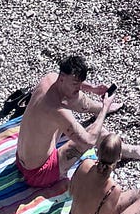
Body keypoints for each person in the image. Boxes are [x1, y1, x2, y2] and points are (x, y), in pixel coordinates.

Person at [17, 55, 120, 195]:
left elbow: (74, 88)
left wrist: (93, 88)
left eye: (80, 83)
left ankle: (96, 107)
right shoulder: (57, 110)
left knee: (71, 97)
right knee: (97, 132)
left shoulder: (51, 78)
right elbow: (89, 141)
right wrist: (104, 109)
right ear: (62, 78)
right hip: (37, 173)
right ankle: (123, 149)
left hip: (21, 159)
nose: (78, 88)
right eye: (75, 84)